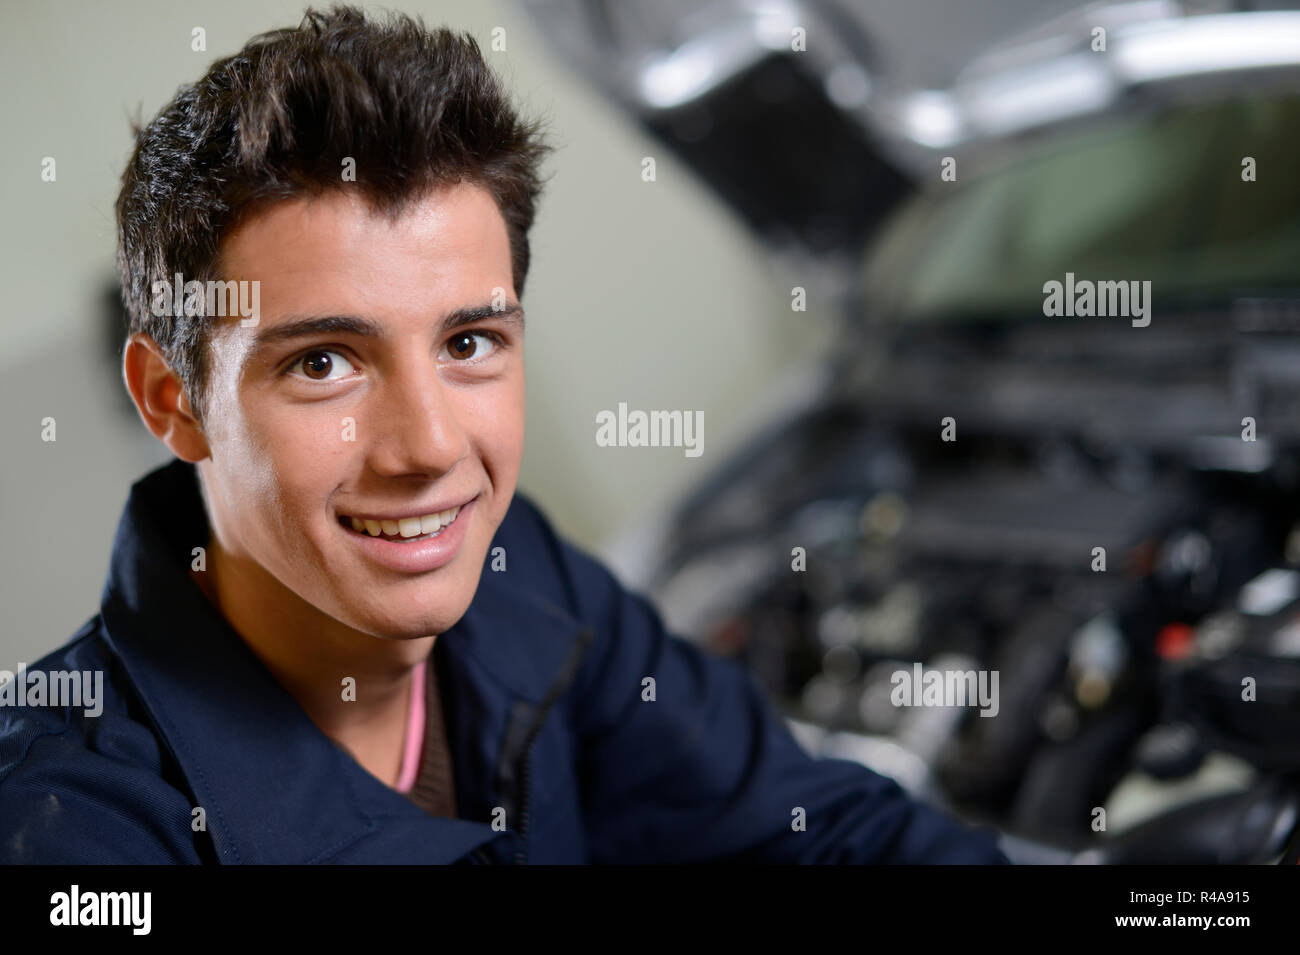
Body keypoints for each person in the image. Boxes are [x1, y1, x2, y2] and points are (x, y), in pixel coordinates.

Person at [0, 5, 1008, 864]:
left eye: (469, 342)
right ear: (172, 397)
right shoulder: (74, 831)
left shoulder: (519, 573)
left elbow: (826, 831)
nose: (431, 449)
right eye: (323, 362)